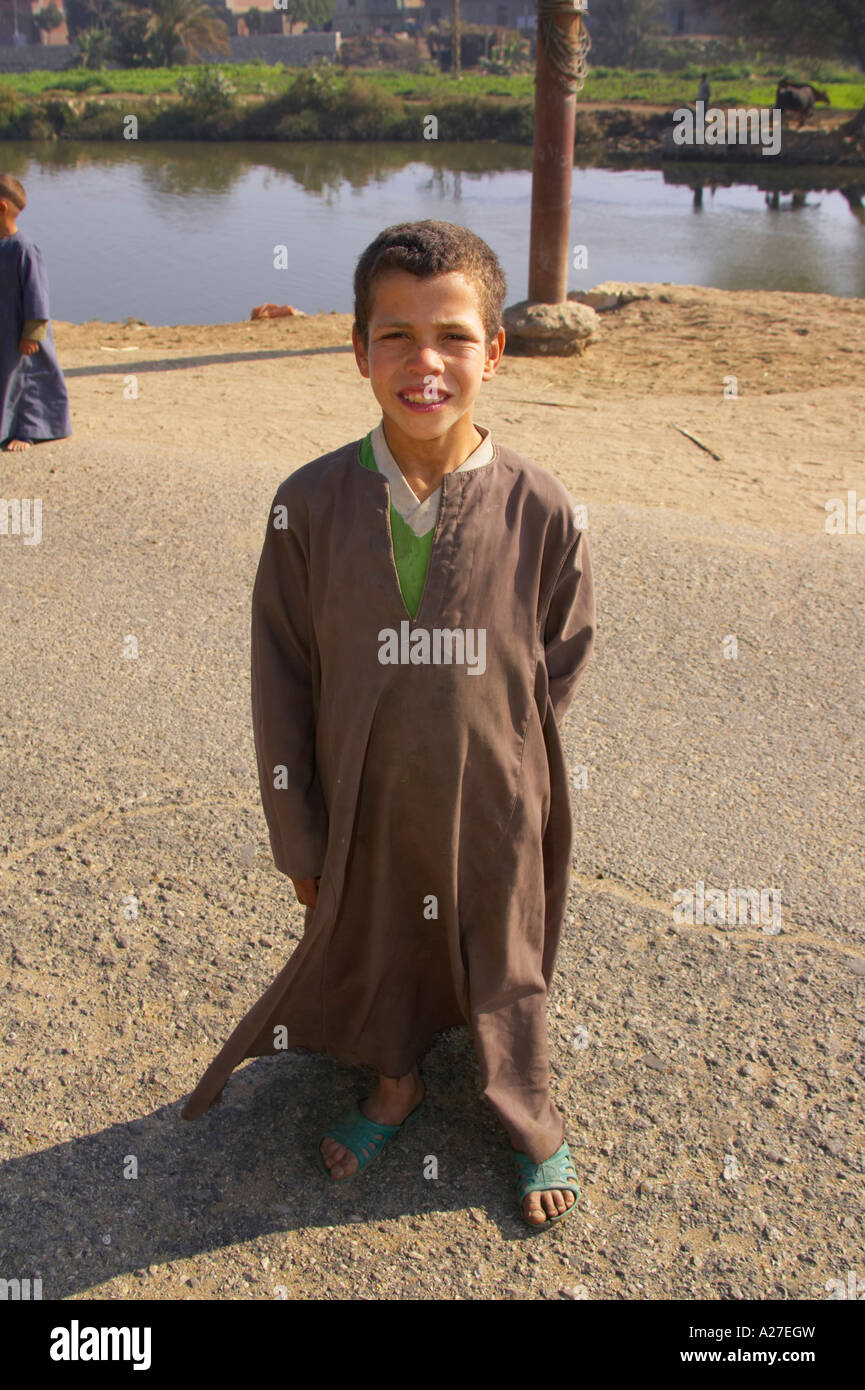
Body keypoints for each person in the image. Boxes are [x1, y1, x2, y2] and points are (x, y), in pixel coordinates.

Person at [181, 220, 596, 1229]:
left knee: (503, 953)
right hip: (359, 797)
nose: (425, 363)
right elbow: (280, 679)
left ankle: (528, 1112)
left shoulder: (540, 507)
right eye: (396, 336)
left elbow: (560, 652)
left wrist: (502, 756)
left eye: (452, 336)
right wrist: (301, 830)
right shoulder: (310, 507)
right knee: (378, 944)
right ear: (358, 349)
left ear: (493, 351)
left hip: (493, 801)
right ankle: (394, 1080)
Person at [0, 173, 71, 453]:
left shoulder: (24, 248)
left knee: (27, 378)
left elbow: (37, 294)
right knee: (5, 378)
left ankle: (28, 431)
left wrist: (32, 333)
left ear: (2, 207)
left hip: (22, 330)